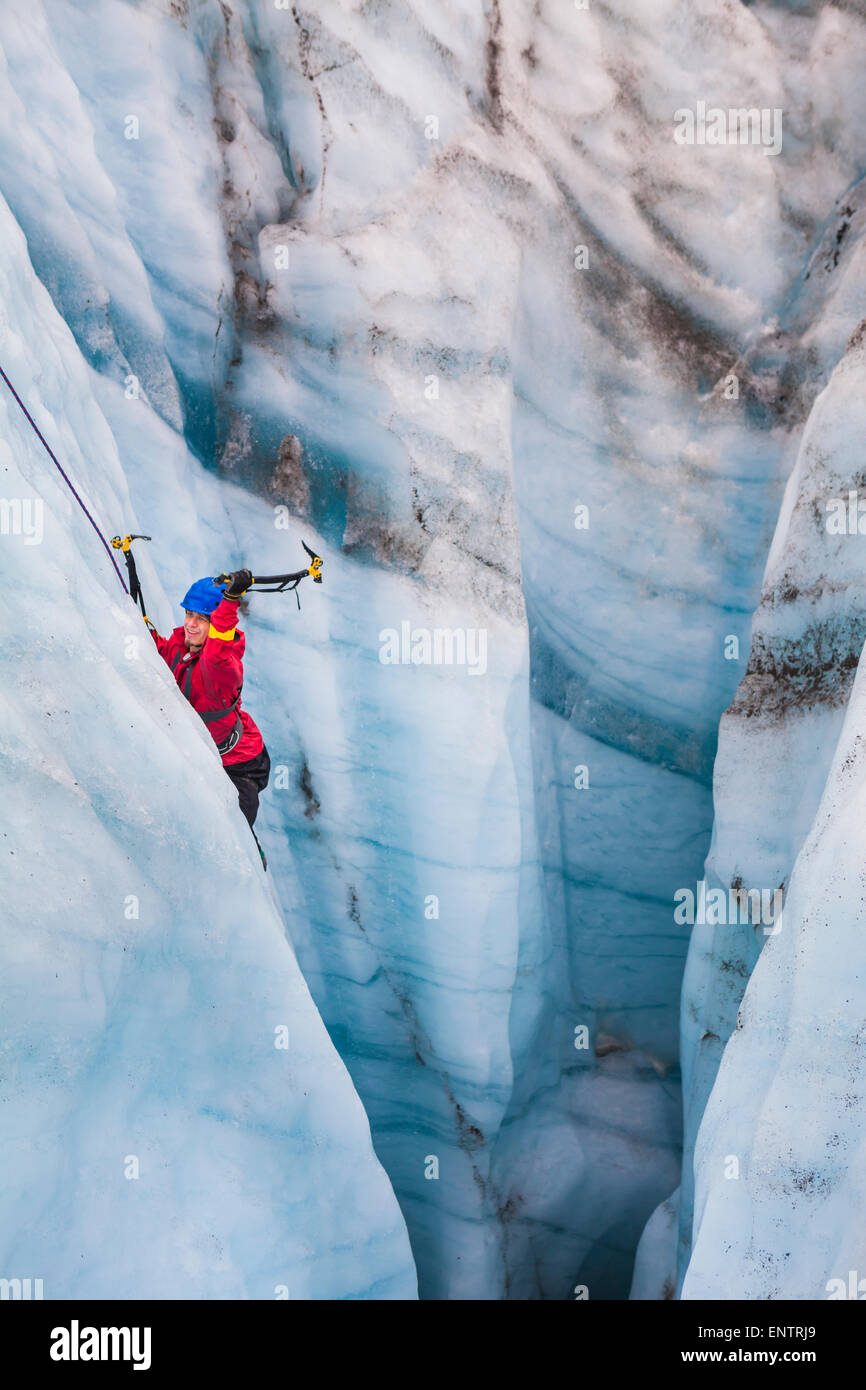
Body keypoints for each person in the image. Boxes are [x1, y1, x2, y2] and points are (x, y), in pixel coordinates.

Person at [150, 567, 271, 860]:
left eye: (202, 619)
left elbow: (217, 650)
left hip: (239, 766)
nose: (191, 624)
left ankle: (253, 855)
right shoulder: (180, 648)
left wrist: (230, 602)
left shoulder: (222, 667)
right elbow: (156, 651)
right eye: (189, 614)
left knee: (234, 841)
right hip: (213, 754)